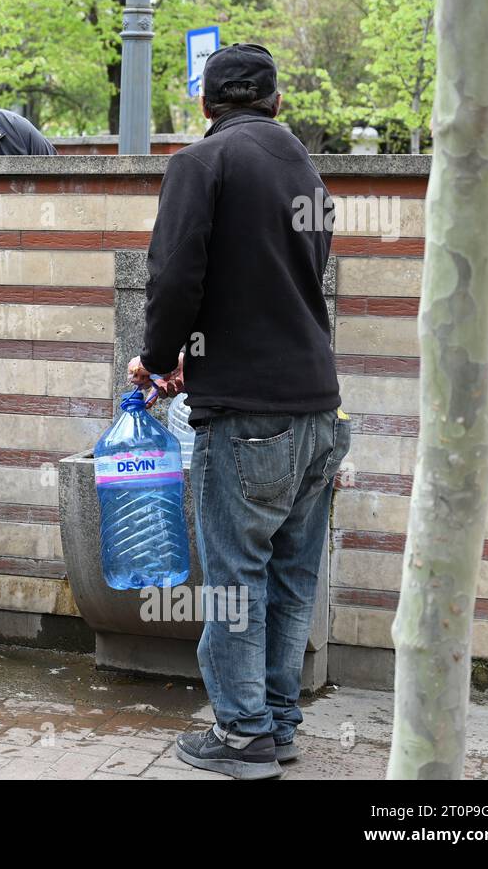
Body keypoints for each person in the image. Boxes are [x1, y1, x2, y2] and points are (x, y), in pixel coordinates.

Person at [127, 42, 351, 779]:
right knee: (291, 577)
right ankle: (279, 725)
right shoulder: (307, 168)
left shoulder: (201, 163)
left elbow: (174, 273)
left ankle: (244, 736)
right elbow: (287, 283)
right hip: (319, 412)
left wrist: (160, 361)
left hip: (249, 416)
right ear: (278, 101)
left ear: (205, 105)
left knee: (234, 579)